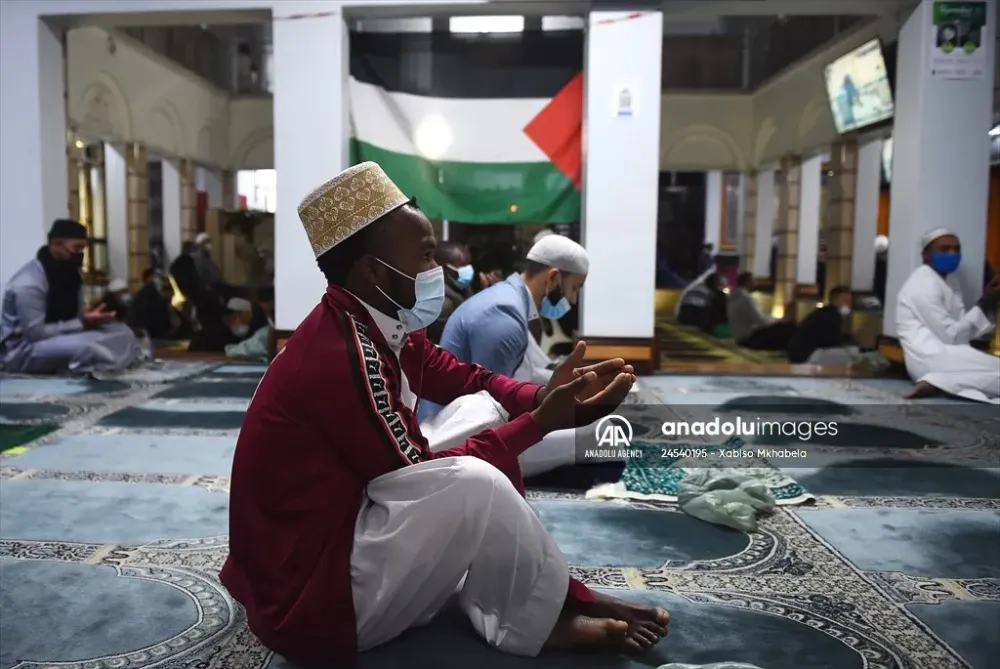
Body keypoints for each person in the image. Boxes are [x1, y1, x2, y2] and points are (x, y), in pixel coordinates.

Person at [220, 162, 670, 667]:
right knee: (475, 482)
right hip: (313, 601)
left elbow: (453, 372)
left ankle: (544, 599)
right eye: (426, 255)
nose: (437, 271)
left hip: (338, 532)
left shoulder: (375, 317)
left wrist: (535, 400)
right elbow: (419, 478)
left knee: (482, 414)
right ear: (373, 270)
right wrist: (540, 425)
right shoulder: (342, 354)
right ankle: (546, 615)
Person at [426, 235, 610, 476]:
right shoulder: (502, 316)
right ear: (553, 277)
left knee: (593, 420)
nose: (574, 300)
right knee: (604, 435)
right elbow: (490, 410)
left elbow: (526, 374)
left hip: (468, 421)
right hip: (454, 438)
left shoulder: (509, 302)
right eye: (575, 288)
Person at [0, 219, 142, 374]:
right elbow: (36, 333)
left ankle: (117, 366)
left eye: (83, 249)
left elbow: (76, 316)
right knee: (91, 346)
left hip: (59, 335)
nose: (80, 254)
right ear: (56, 244)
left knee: (122, 332)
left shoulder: (70, 274)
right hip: (23, 349)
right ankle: (95, 373)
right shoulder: (29, 283)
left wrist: (92, 318)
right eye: (77, 248)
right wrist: (82, 323)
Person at [897, 228, 999, 404]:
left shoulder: (950, 280)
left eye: (956, 249)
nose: (952, 254)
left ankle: (941, 383)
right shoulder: (922, 284)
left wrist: (989, 305)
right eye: (944, 249)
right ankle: (939, 381)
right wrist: (984, 303)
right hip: (931, 357)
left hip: (952, 352)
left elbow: (962, 330)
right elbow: (951, 336)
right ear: (926, 255)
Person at [727, 272, 797, 350]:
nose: (756, 283)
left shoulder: (733, 297)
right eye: (753, 281)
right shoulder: (746, 299)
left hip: (739, 339)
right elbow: (762, 322)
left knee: (783, 327)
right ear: (747, 282)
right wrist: (779, 322)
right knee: (788, 328)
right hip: (749, 339)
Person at [786, 286, 854, 364]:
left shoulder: (823, 313)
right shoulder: (832, 315)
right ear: (835, 300)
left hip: (798, 353)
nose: (849, 304)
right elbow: (831, 341)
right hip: (806, 355)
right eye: (845, 300)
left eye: (850, 301)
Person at [425, 241, 474, 345]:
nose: (467, 271)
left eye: (467, 265)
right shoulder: (441, 303)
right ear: (444, 269)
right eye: (460, 266)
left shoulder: (462, 288)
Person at [676, 270, 728, 335]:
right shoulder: (713, 292)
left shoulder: (699, 286)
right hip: (700, 316)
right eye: (721, 285)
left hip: (684, 316)